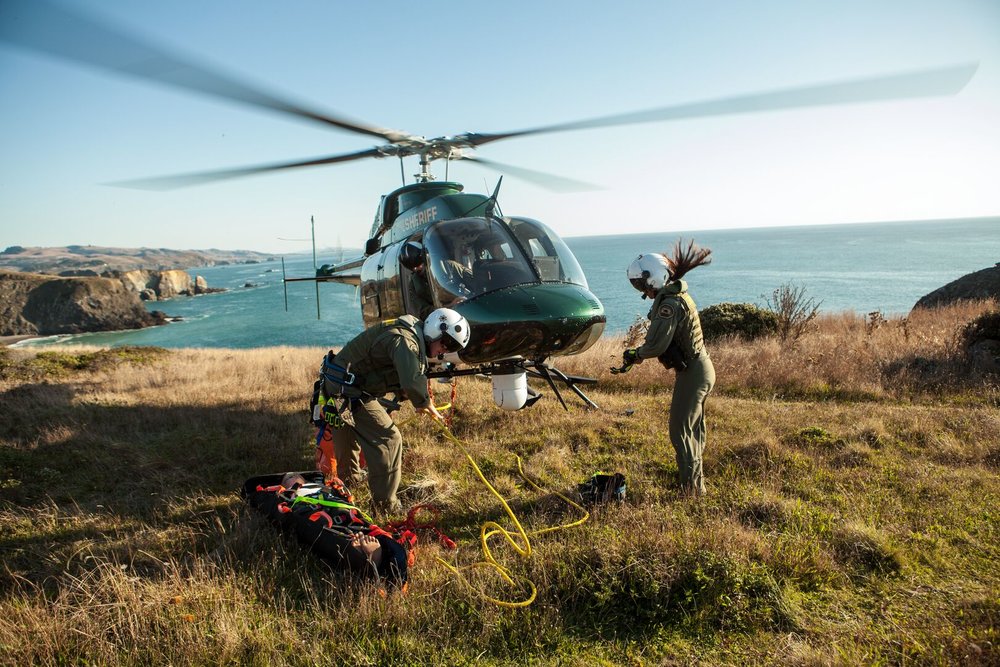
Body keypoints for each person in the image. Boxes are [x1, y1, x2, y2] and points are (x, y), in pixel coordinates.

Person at [313, 308, 472, 514]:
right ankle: (385, 505)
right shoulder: (407, 340)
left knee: (347, 432)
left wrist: (407, 395)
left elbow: (391, 370)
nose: (444, 350)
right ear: (434, 330)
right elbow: (410, 379)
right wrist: (423, 402)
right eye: (446, 342)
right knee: (389, 439)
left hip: (337, 385)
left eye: (451, 347)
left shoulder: (409, 332)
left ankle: (349, 482)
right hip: (348, 391)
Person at [621, 240, 715, 496]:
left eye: (642, 283)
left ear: (655, 278)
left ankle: (692, 489)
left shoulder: (669, 305)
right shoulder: (675, 295)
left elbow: (655, 345)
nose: (642, 289)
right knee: (693, 429)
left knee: (680, 431)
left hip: (694, 372)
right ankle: (695, 484)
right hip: (700, 368)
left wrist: (635, 354)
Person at [400, 241, 435, 319]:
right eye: (412, 267)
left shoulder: (447, 267)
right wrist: (449, 306)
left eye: (418, 264)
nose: (416, 269)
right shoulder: (413, 285)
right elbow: (423, 311)